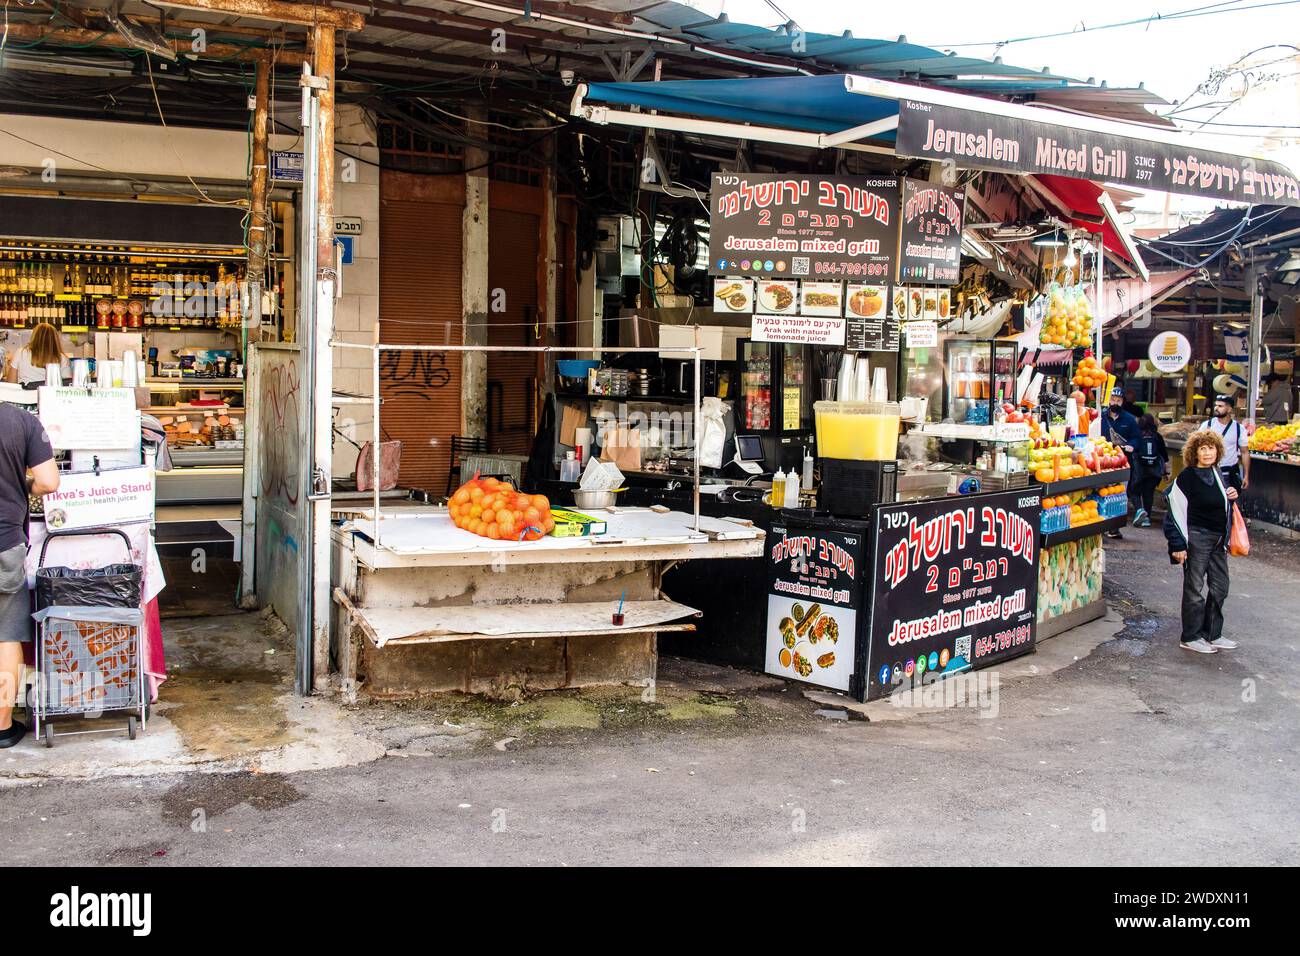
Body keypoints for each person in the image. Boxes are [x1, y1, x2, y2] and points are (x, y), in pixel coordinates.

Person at [0, 402, 59, 747]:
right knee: (5, 637)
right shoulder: (20, 419)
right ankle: (3, 727)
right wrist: (26, 488)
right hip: (4, 542)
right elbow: (49, 481)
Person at [1163, 430, 1237, 655]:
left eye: (1211, 448)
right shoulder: (1187, 477)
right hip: (1197, 538)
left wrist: (1231, 494)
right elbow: (1173, 511)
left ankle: (1212, 633)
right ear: (1194, 453)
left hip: (1218, 539)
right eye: (1203, 449)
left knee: (1220, 587)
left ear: (1218, 451)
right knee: (1194, 589)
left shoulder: (1217, 473)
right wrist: (1177, 545)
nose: (1207, 453)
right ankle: (1191, 636)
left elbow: (1219, 502)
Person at [1101, 388, 1142, 539]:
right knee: (1102, 493)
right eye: (1113, 399)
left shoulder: (1130, 419)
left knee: (1119, 495)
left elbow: (1137, 438)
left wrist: (1132, 445)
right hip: (1103, 462)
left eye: (1118, 400)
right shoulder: (1101, 417)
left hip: (1123, 462)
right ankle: (1101, 524)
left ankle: (1115, 527)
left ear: (1123, 401)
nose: (1115, 403)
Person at [1198, 393, 1249, 493]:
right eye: (1216, 405)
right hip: (1210, 471)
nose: (1216, 408)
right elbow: (1196, 447)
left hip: (1230, 473)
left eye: (1220, 406)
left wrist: (1246, 475)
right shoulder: (1207, 426)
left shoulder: (1239, 428)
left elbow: (1245, 452)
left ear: (1229, 409)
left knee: (1231, 504)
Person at [1131, 414, 1169, 527]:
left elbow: (1133, 452)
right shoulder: (1157, 437)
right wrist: (1166, 473)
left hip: (1139, 469)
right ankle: (1147, 518)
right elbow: (1164, 457)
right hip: (1154, 470)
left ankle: (1139, 510)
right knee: (1149, 494)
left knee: (1134, 491)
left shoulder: (1137, 435)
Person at [3, 323, 70, 386]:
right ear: (55, 338)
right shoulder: (62, 358)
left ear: (34, 336)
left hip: (24, 397)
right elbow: (67, 384)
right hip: (48, 397)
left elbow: (11, 383)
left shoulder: (21, 353)